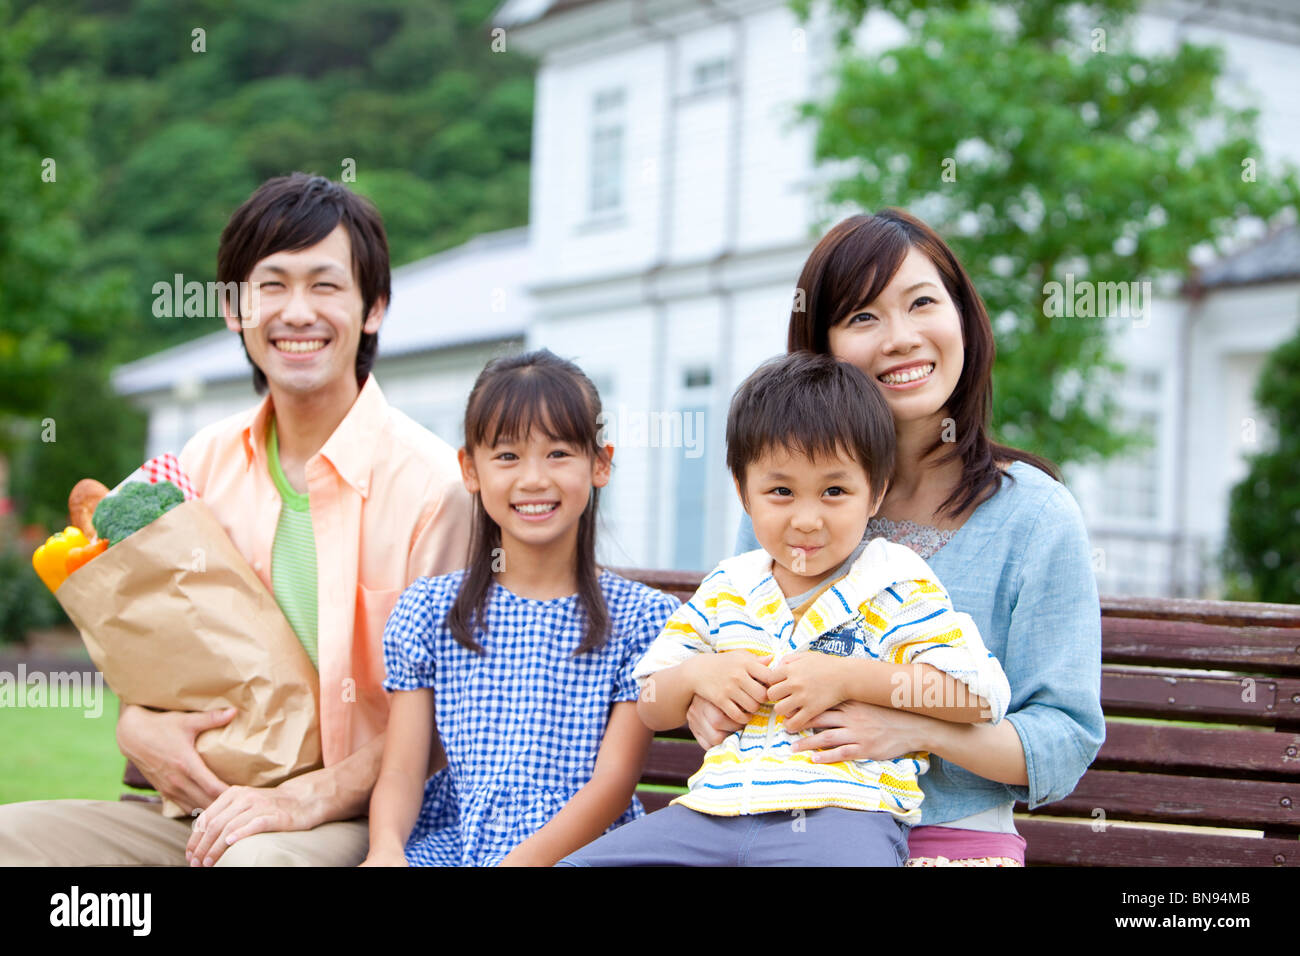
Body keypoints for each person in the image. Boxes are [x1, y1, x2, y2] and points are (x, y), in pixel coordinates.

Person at [0, 173, 472, 867]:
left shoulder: (434, 487)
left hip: (361, 820)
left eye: (325, 285)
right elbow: (151, 645)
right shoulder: (203, 462)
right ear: (233, 308)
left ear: (374, 307)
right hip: (206, 809)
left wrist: (300, 801)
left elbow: (448, 716)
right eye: (271, 285)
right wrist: (138, 729)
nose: (296, 311)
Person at [701, 209, 1105, 866]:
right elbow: (745, 667)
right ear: (821, 348)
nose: (901, 338)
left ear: (963, 320)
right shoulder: (786, 503)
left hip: (954, 845)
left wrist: (916, 728)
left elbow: (1062, 740)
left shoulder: (1036, 516)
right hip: (788, 836)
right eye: (863, 317)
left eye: (922, 303)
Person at [559, 352, 1010, 867]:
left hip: (841, 814)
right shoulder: (730, 586)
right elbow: (652, 702)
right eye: (780, 491)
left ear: (876, 492)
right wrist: (699, 673)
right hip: (712, 813)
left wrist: (849, 679)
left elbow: (979, 696)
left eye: (835, 491)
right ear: (744, 494)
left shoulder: (895, 581)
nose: (807, 519)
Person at [361, 349, 680, 867]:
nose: (533, 479)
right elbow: (401, 770)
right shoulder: (430, 611)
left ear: (600, 464)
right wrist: (386, 849)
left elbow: (613, 786)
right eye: (507, 456)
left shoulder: (640, 621)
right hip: (457, 848)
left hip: (583, 854)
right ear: (470, 469)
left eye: (558, 454)